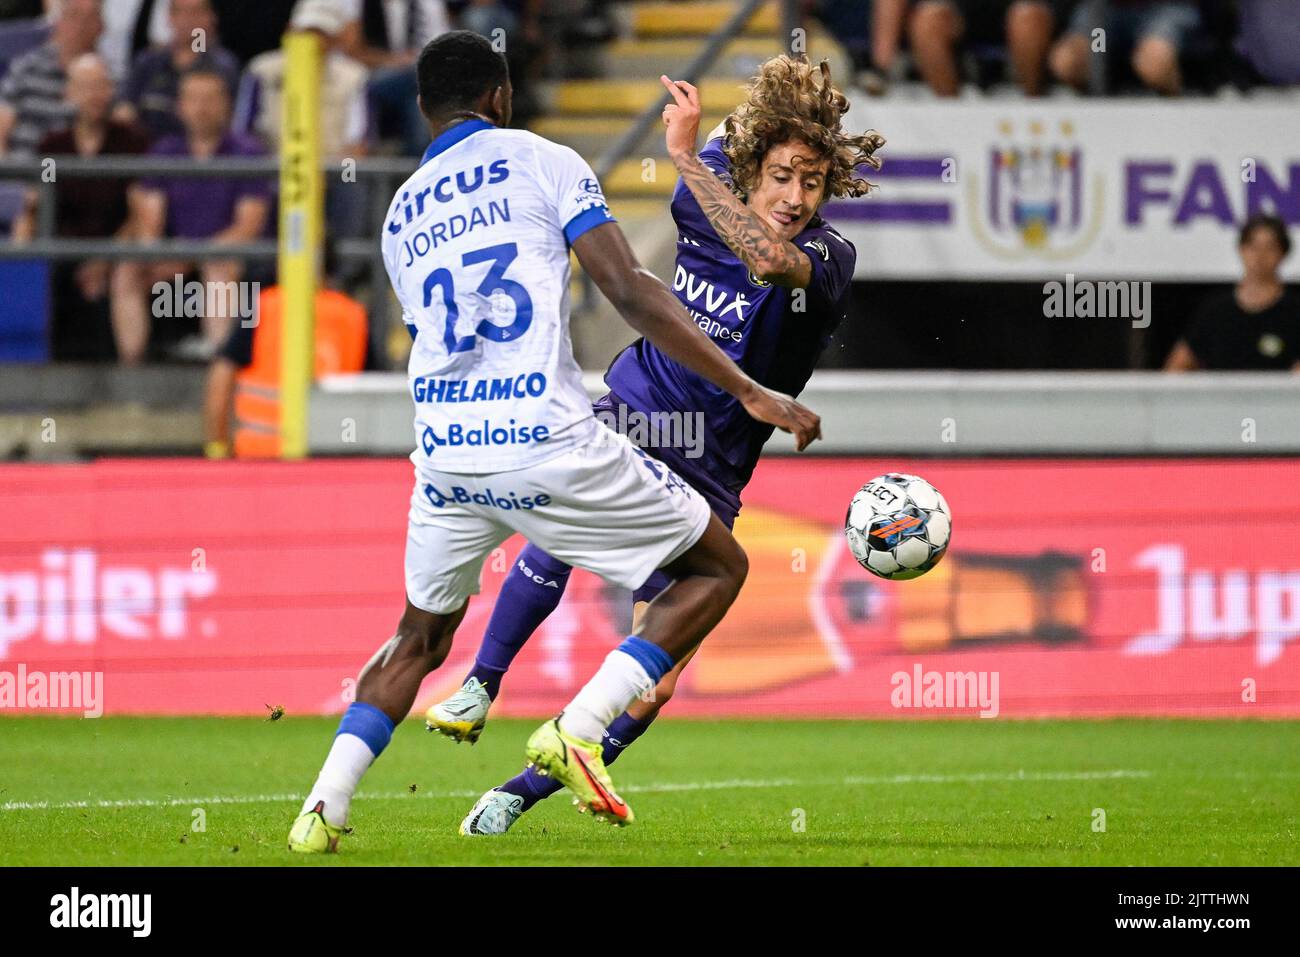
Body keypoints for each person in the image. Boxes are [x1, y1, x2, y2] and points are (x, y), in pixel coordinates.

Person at [286, 30, 820, 852]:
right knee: (718, 567)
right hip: (541, 431)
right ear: (501, 97)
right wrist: (750, 390)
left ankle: (322, 806)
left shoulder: (400, 211)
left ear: (426, 111)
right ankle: (578, 727)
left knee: (415, 637)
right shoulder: (542, 159)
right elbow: (628, 287)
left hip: (443, 451)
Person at [426, 55, 884, 836]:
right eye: (781, 177)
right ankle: (481, 682)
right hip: (639, 409)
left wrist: (680, 156)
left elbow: (767, 259)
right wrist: (690, 153)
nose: (796, 198)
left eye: (812, 182)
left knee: (656, 686)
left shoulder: (831, 259)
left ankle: (517, 791)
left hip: (714, 468)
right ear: (752, 168)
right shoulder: (710, 174)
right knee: (563, 526)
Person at [114, 63, 270, 362]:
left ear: (226, 104)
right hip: (178, 255)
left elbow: (248, 226)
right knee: (127, 268)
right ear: (180, 106)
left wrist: (197, 255)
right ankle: (131, 369)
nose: (202, 108)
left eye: (211, 99)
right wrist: (158, 253)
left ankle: (219, 365)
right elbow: (150, 222)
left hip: (233, 257)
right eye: (194, 99)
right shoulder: (165, 152)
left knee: (217, 269)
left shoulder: (248, 152)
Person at [9, 53, 149, 360]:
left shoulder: (132, 143)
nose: (94, 96)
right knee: (25, 268)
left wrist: (105, 257)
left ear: (111, 91)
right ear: (68, 93)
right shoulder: (52, 146)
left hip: (117, 248)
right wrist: (21, 257)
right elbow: (37, 202)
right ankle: (22, 366)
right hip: (60, 250)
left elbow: (139, 214)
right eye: (85, 87)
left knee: (123, 273)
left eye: (100, 86)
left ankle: (131, 381)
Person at [1165, 214, 1300, 372]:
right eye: (1253, 247)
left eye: (1269, 248)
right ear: (1241, 250)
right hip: (1220, 396)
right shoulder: (1216, 310)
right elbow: (1178, 364)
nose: (1259, 256)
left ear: (1283, 253)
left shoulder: (1295, 311)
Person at [116, 0, 241, 141]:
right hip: (151, 152)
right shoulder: (148, 62)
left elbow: (232, 120)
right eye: (180, 12)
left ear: (210, 18)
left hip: (202, 151)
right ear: (169, 17)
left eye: (195, 13)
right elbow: (125, 108)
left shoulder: (221, 65)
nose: (187, 20)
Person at [0, 0, 102, 157]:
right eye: (74, 16)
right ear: (58, 23)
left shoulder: (103, 77)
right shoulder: (27, 67)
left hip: (67, 171)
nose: (82, 26)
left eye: (90, 18)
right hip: (19, 169)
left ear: (101, 26)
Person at [901, 0, 1058, 96]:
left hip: (1021, 12)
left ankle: (1034, 106)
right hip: (961, 13)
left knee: (1028, 20)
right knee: (927, 22)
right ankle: (951, 116)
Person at [1050, 0, 1201, 95]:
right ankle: (1096, 121)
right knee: (1070, 62)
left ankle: (1177, 119)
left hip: (1162, 10)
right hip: (1103, 16)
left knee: (1155, 63)